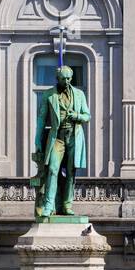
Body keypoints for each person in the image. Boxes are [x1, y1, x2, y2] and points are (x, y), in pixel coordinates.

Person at [33, 65, 90, 217]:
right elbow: (41, 118)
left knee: (71, 172)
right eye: (63, 78)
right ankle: (48, 205)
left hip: (74, 136)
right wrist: (37, 139)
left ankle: (67, 205)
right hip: (57, 136)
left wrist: (77, 116)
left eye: (68, 78)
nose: (66, 81)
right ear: (57, 78)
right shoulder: (49, 94)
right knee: (52, 169)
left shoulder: (79, 94)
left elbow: (87, 116)